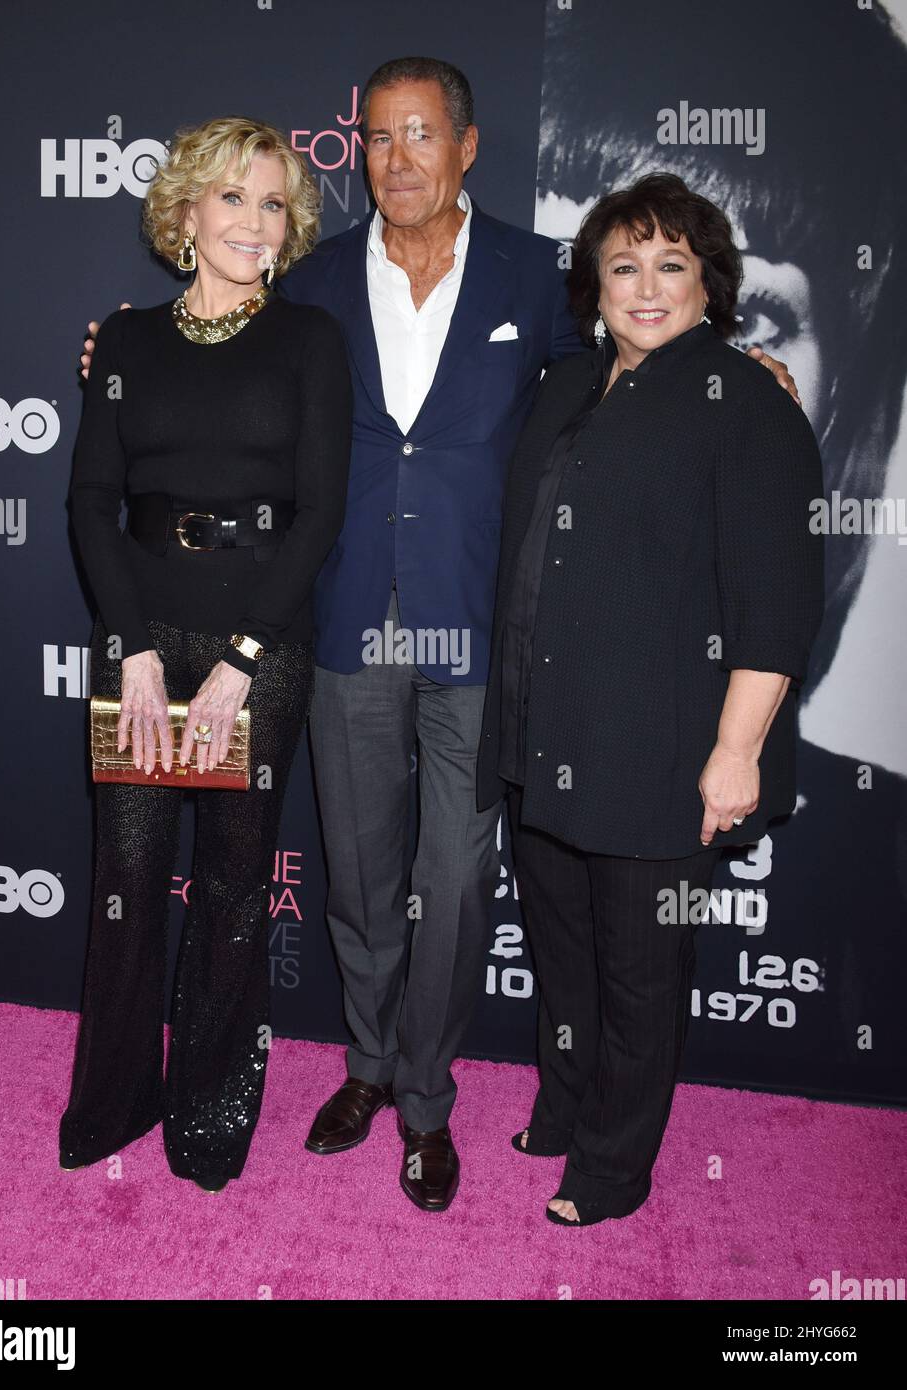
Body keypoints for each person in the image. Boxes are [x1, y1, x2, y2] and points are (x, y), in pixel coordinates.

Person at [80, 58, 797, 1213]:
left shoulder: (541, 272)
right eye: (375, 137)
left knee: (455, 881)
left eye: (419, 135)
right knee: (361, 878)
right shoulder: (302, 282)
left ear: (466, 147)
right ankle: (365, 1065)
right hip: (348, 616)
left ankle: (425, 1096)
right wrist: (109, 354)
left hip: (480, 629)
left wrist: (740, 365)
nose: (395, 156)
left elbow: (635, 361)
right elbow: (192, 353)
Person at [476, 172, 825, 1224]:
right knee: (562, 949)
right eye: (622, 264)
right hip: (546, 735)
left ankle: (612, 1168)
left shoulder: (746, 400)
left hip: (661, 752)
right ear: (592, 281)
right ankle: (566, 1099)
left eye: (669, 265)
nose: (642, 286)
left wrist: (735, 753)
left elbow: (776, 602)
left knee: (637, 974)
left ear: (707, 285)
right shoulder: (565, 385)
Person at [59, 116, 352, 1193]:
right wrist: (131, 648)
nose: (250, 219)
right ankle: (118, 1094)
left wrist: (237, 658)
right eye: (230, 196)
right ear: (186, 213)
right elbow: (92, 501)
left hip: (256, 647)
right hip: (138, 636)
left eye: (271, 202)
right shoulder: (127, 341)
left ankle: (210, 1114)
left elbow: (320, 513)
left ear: (289, 225)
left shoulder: (310, 342)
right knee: (128, 873)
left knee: (233, 886)